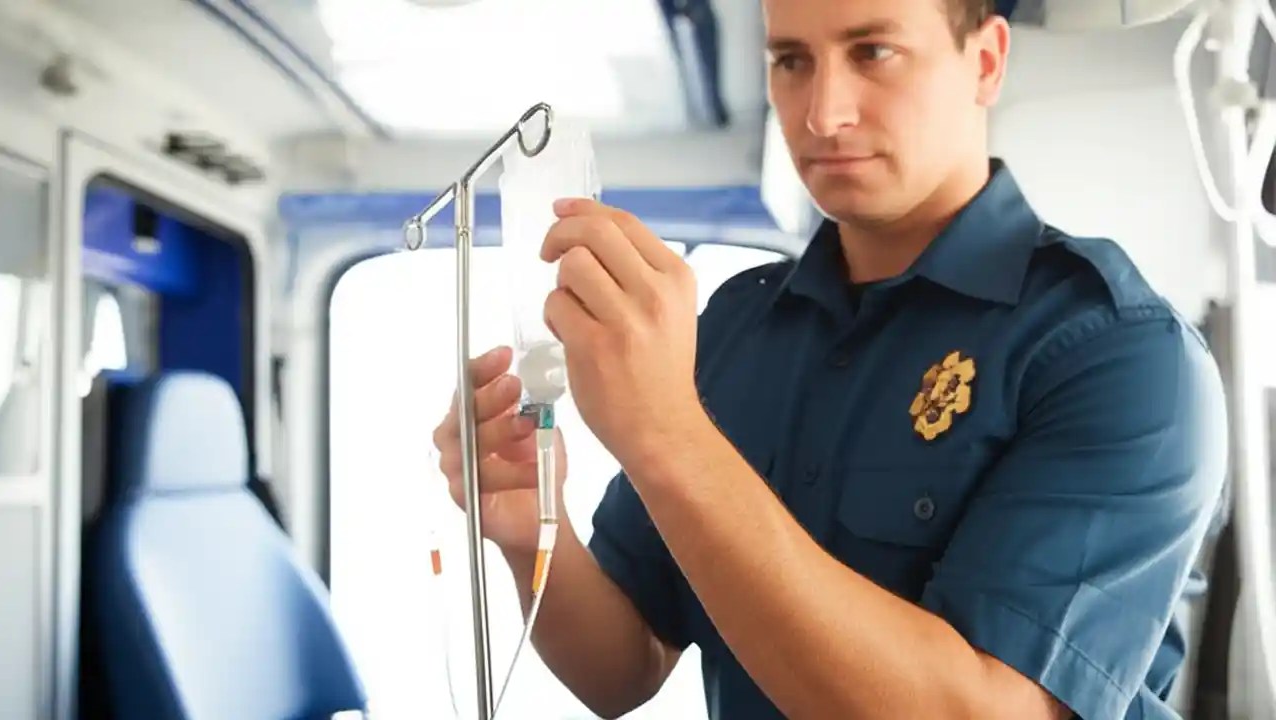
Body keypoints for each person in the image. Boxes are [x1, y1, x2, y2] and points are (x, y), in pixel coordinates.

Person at [431, 0, 1228, 717]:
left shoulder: (1119, 353)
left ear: (984, 61)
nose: (821, 113)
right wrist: (532, 531)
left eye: (873, 51)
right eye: (791, 61)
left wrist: (668, 436)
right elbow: (623, 667)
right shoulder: (739, 326)